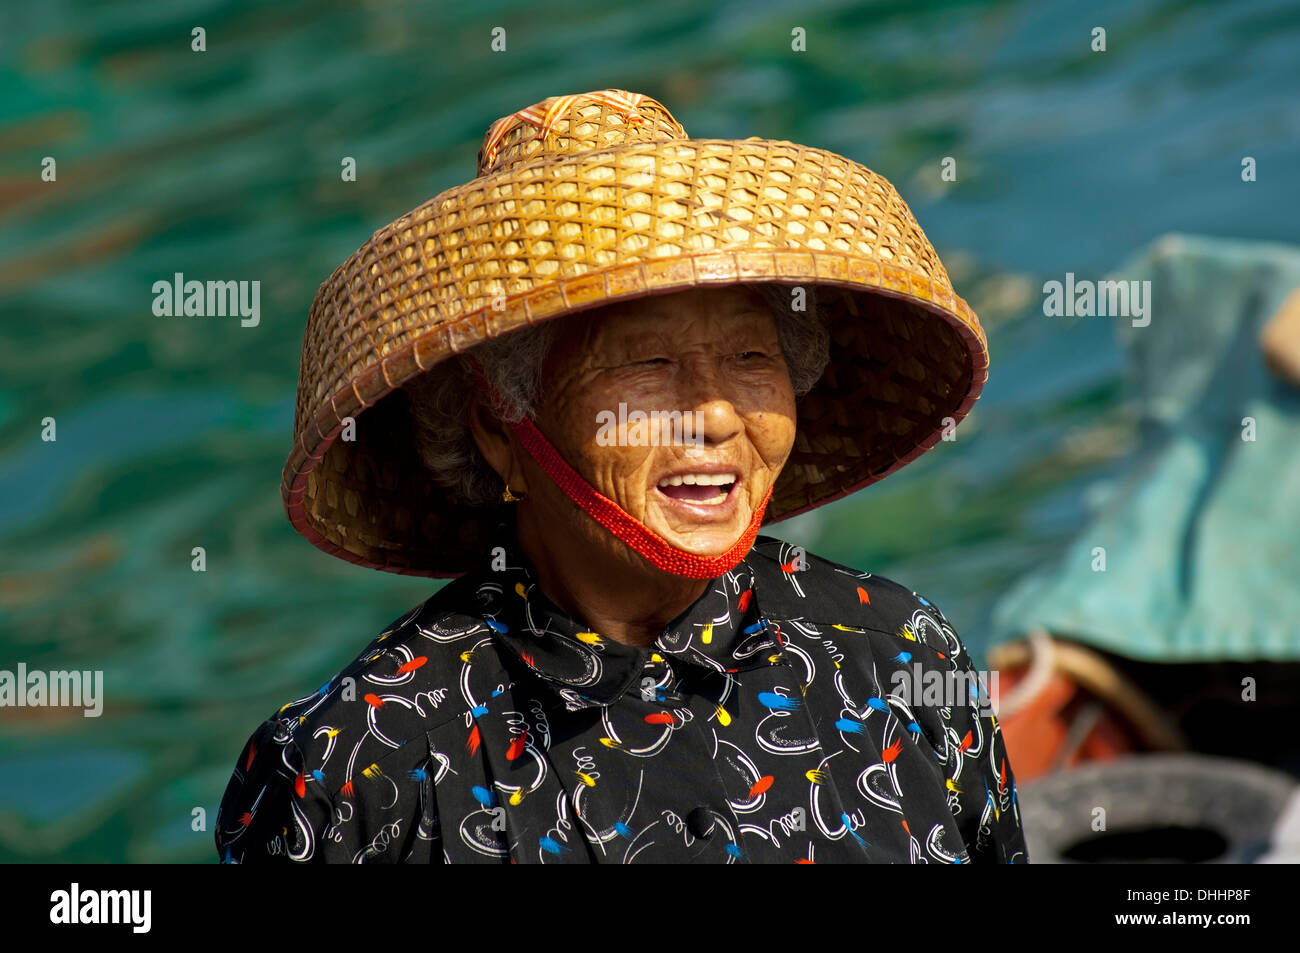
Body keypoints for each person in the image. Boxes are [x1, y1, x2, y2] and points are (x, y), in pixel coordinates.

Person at [215, 89, 1026, 863]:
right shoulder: (356, 766)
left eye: (751, 356)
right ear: (500, 425)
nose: (712, 417)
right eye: (649, 362)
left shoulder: (894, 652)